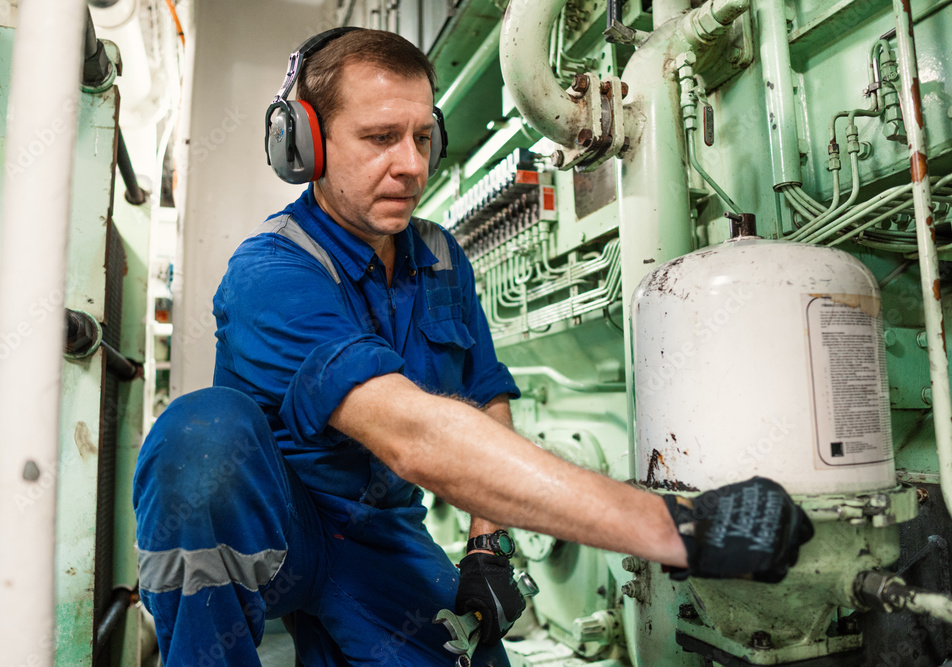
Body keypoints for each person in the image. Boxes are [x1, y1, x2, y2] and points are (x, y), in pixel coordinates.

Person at [132, 28, 814, 667]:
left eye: (422, 137)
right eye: (380, 138)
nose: (410, 165)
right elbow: (409, 432)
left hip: (378, 535)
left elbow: (484, 392)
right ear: (306, 144)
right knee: (201, 432)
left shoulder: (437, 256)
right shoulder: (270, 270)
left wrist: (487, 542)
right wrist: (679, 528)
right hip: (280, 531)